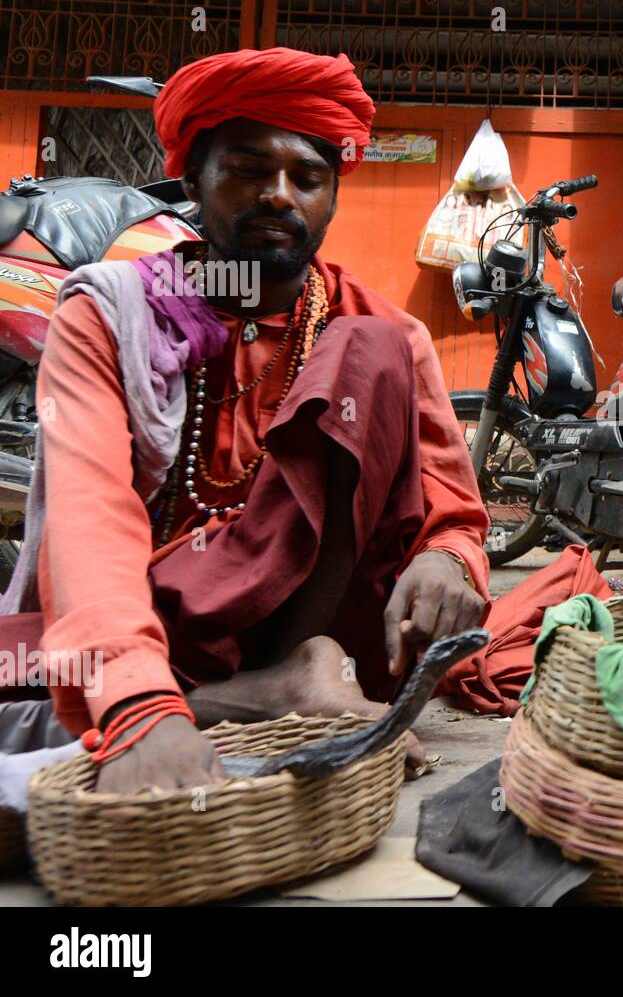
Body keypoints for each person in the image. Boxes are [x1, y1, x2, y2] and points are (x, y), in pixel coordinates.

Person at [0, 47, 489, 793]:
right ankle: (260, 699)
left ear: (333, 194)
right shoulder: (108, 312)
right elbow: (86, 514)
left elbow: (455, 512)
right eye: (248, 169)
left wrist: (448, 558)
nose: (279, 195)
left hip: (326, 628)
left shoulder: (384, 330)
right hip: (155, 619)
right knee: (48, 677)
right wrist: (136, 706)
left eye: (307, 177)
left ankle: (277, 678)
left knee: (370, 349)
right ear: (193, 179)